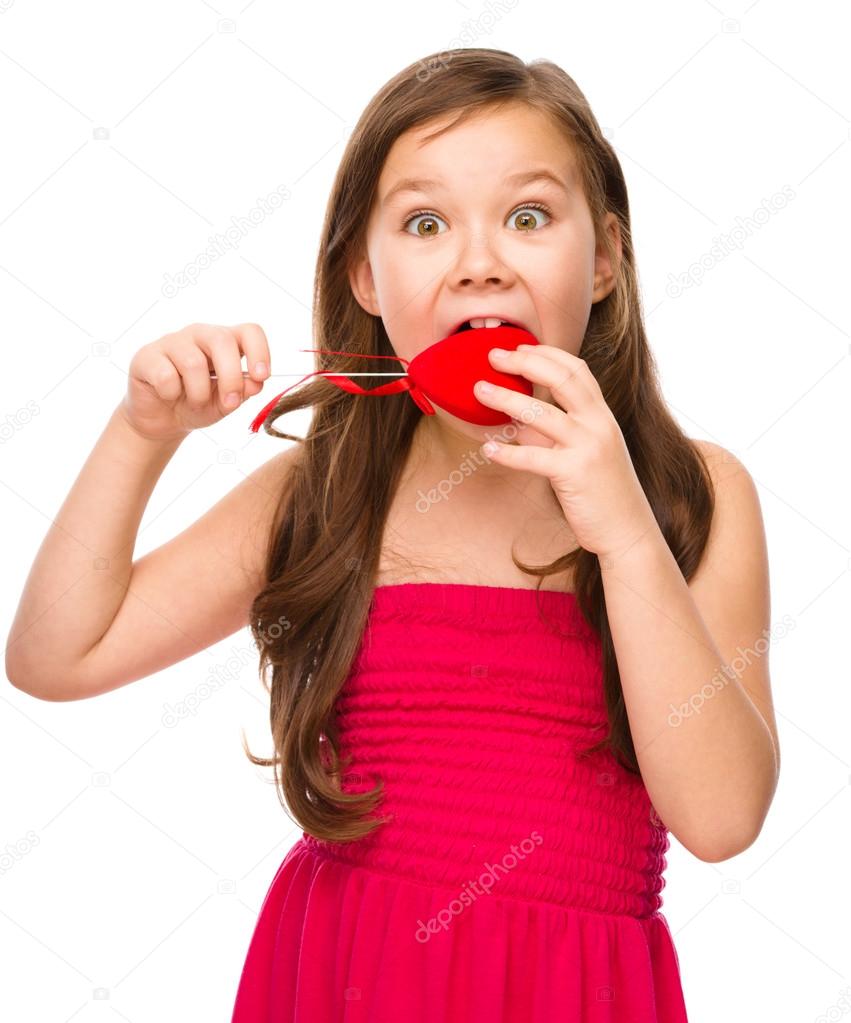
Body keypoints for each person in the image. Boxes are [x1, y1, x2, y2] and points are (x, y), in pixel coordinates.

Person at [6, 48, 780, 1022]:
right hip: (348, 977)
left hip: (576, 989)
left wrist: (623, 537)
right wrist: (140, 435)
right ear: (365, 279)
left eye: (528, 216)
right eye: (424, 223)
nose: (479, 259)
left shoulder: (687, 495)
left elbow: (719, 820)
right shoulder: (322, 494)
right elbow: (55, 656)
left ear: (604, 257)